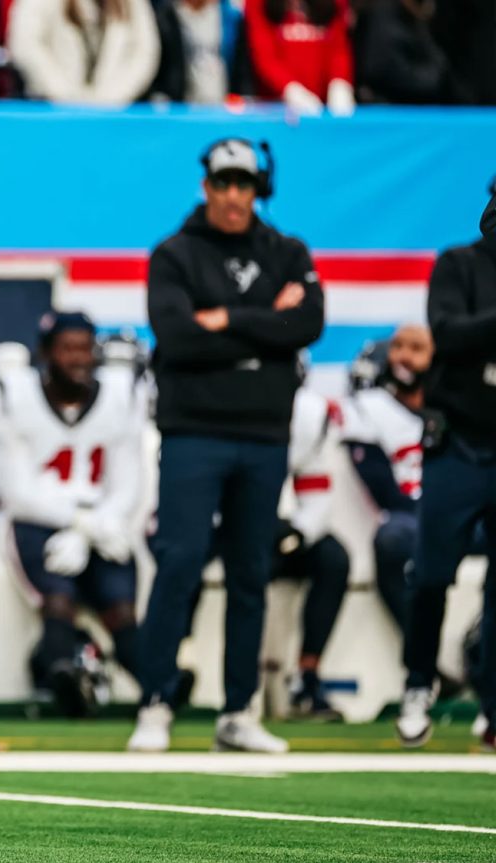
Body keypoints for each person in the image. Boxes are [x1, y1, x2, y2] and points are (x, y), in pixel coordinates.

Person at [129, 138, 323, 754]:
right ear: (206, 186)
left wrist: (224, 318)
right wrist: (266, 319)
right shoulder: (175, 253)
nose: (234, 196)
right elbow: (177, 337)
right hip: (194, 431)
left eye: (244, 185)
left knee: (250, 572)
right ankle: (155, 702)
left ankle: (238, 710)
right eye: (223, 184)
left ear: (256, 190)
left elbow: (307, 324)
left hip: (264, 434)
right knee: (180, 562)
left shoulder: (288, 250)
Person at [0, 311, 146, 718]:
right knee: (58, 600)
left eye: (85, 348)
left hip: (102, 520)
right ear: (45, 353)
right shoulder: (15, 393)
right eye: (67, 348)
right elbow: (17, 493)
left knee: (121, 608)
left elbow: (128, 479)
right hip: (39, 523)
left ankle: (158, 684)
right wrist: (79, 523)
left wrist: (91, 527)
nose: (78, 358)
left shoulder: (121, 395)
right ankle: (60, 677)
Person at [395, 192, 496, 751]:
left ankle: (492, 701)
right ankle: (418, 682)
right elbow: (449, 332)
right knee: (432, 573)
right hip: (458, 440)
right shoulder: (459, 264)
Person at [266, 387, 350, 720]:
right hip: (229, 522)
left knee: (334, 559)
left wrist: (298, 533)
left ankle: (307, 675)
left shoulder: (309, 416)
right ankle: (181, 669)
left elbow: (317, 490)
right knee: (186, 556)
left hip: (279, 524)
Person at [341, 326, 434, 631]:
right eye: (398, 347)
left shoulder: (457, 407)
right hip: (411, 516)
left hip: (459, 517)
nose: (404, 357)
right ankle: (420, 647)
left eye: (416, 348)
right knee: (394, 536)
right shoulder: (371, 409)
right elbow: (384, 488)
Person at [7, 0, 160, 106]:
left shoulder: (132, 4)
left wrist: (111, 98)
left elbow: (145, 52)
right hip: (52, 111)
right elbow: (26, 44)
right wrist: (65, 95)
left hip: (114, 116)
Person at [246, 0, 355, 115]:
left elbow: (339, 49)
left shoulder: (336, 3)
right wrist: (291, 90)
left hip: (325, 107)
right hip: (275, 109)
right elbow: (265, 56)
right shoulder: (258, 3)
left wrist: (340, 83)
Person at [146, 0, 254, 104]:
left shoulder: (231, 18)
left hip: (222, 107)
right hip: (182, 107)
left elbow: (242, 71)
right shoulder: (165, 17)